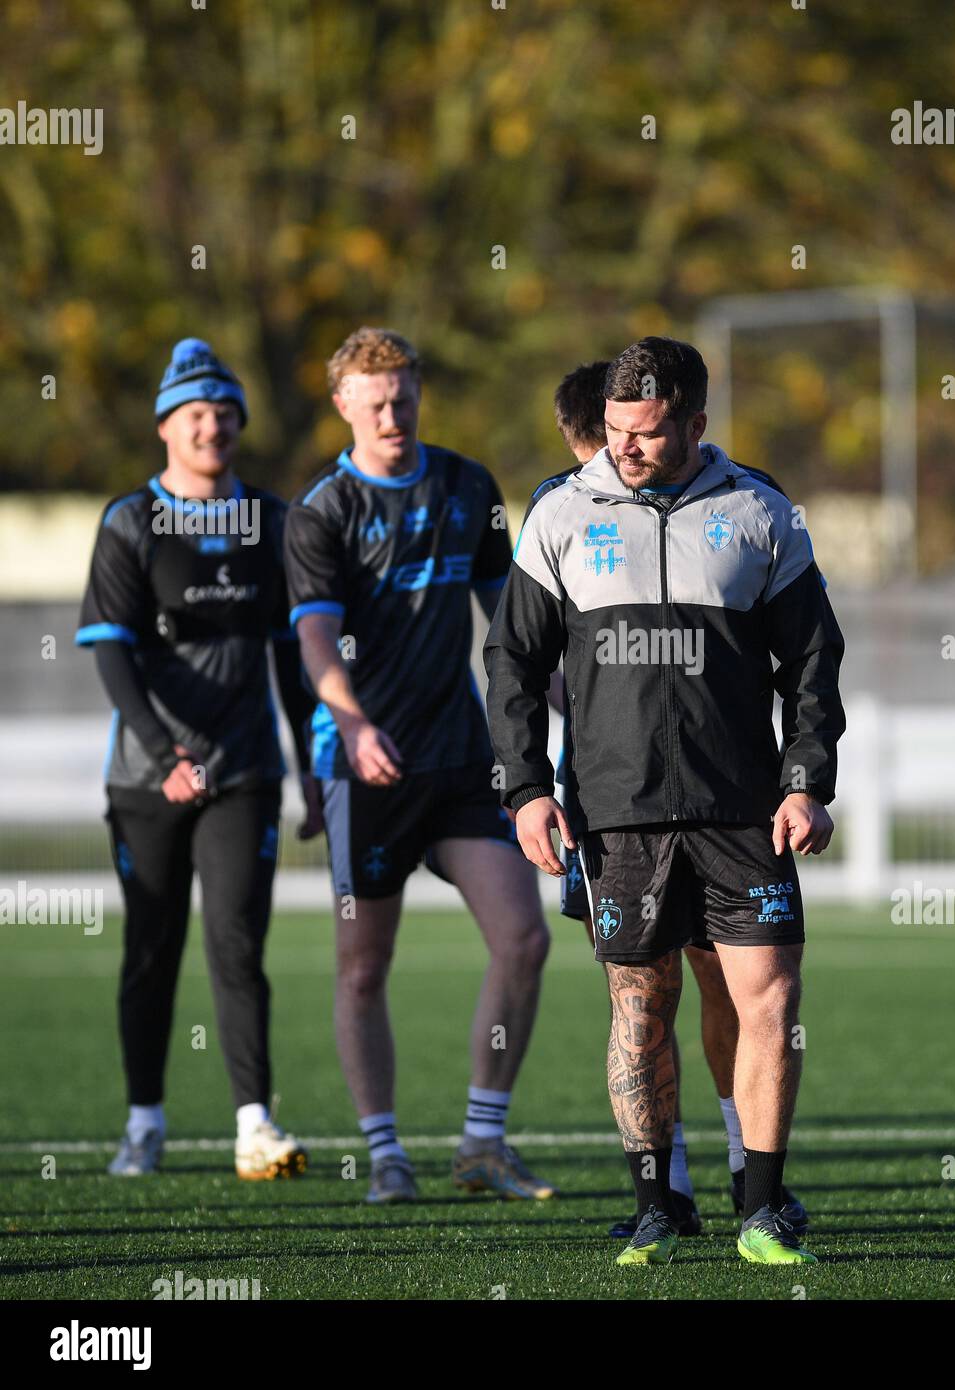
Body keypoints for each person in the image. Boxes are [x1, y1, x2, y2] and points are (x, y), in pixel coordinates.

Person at [486, 337, 845, 1265]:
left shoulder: (760, 511)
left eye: (646, 434)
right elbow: (512, 663)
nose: (624, 450)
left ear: (695, 422)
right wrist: (526, 789)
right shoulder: (560, 514)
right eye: (612, 432)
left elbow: (812, 663)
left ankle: (759, 1207)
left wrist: (806, 780)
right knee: (642, 1004)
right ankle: (657, 1202)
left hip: (742, 809)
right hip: (617, 811)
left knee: (766, 998)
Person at [283, 327, 554, 1204]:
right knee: (364, 967)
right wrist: (353, 724)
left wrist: (570, 710)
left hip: (461, 762)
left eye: (405, 398)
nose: (394, 414)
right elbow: (316, 636)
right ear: (344, 406)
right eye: (376, 401)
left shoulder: (470, 486)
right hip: (363, 770)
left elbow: (510, 621)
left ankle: (482, 1140)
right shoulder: (322, 509)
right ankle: (385, 1151)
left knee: (524, 938)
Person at [76, 338, 315, 1180]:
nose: (211, 427)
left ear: (238, 425)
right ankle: (144, 1121)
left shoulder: (276, 522)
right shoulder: (129, 523)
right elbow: (110, 653)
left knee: (237, 946)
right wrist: (160, 751)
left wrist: (312, 768)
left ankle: (255, 1123)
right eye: (194, 414)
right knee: (151, 948)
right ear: (166, 429)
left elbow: (295, 656)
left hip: (244, 774)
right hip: (147, 780)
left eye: (224, 413)